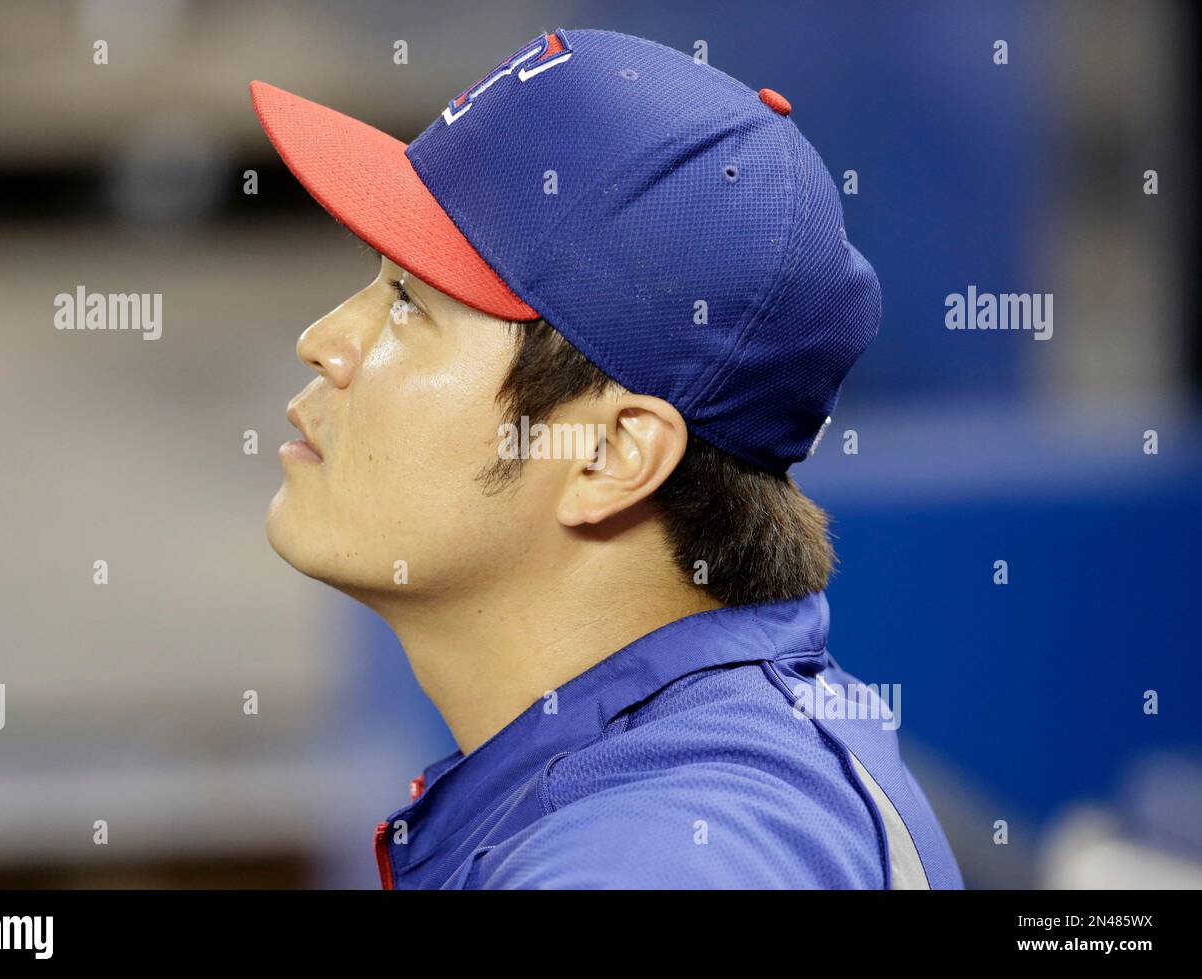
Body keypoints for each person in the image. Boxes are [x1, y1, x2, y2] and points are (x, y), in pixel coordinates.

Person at [252, 27, 963, 889]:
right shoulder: (678, 776)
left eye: (410, 303)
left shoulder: (654, 855)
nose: (323, 341)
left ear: (612, 454)